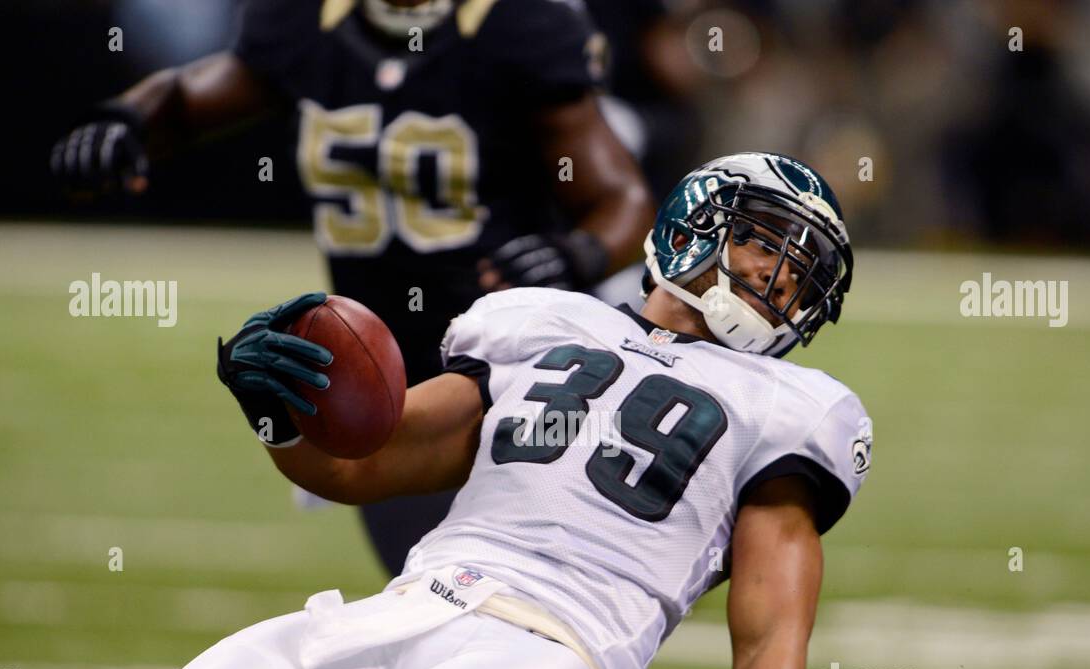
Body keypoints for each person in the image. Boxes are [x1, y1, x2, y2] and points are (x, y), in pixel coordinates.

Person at [100, 151, 866, 669]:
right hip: (415, 603)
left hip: (555, 647)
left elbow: (773, 624)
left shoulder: (790, 406)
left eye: (802, 271)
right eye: (767, 244)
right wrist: (278, 409)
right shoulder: (543, 320)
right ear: (694, 225)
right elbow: (361, 461)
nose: (781, 278)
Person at [50, 0, 653, 576]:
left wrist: (575, 253)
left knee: (519, 604)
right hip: (386, 365)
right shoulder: (304, 21)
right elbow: (185, 99)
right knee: (422, 587)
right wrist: (127, 119)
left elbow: (619, 197)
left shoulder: (519, 24)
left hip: (514, 365)